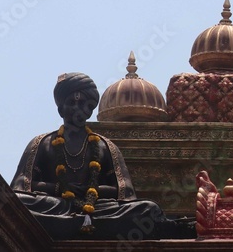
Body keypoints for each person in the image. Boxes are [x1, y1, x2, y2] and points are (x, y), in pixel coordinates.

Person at [12, 73, 192, 240]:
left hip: (98, 210)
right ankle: (73, 221)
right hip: (59, 206)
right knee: (17, 204)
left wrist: (89, 189)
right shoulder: (42, 143)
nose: (78, 108)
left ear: (90, 110)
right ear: (61, 108)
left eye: (84, 104)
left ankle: (73, 224)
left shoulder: (104, 146)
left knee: (147, 210)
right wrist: (59, 189)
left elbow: (124, 193)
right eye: (71, 103)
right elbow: (22, 187)